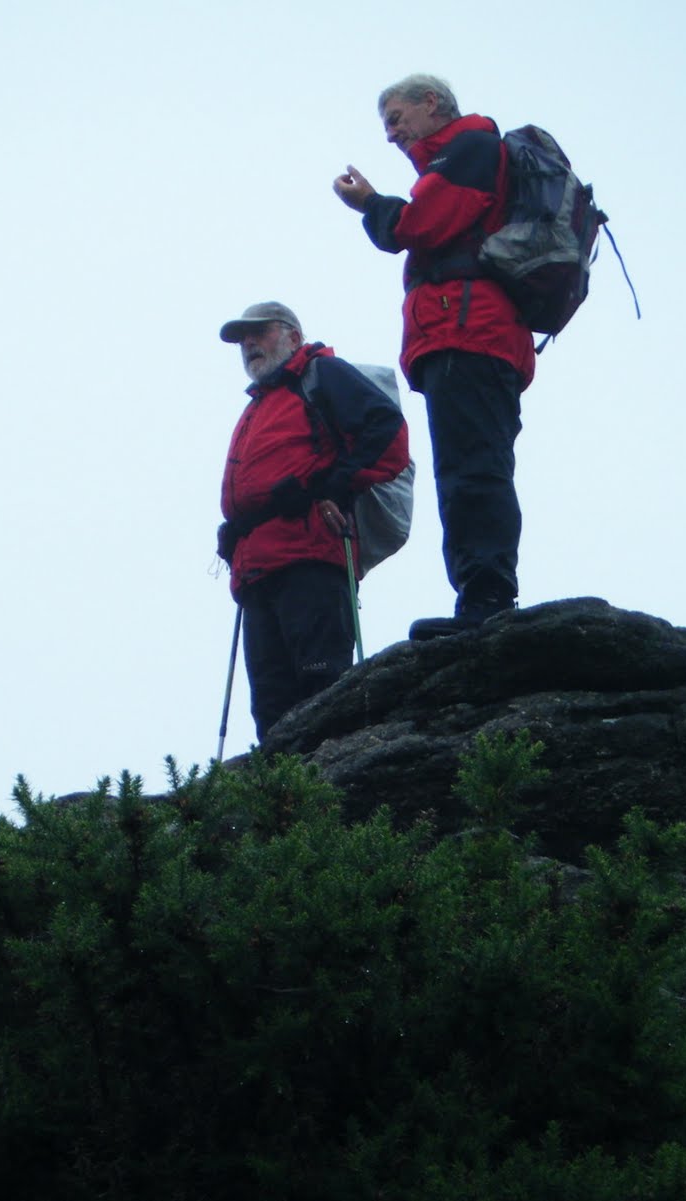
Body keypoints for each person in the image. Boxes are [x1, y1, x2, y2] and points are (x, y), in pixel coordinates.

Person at [333, 73, 537, 640]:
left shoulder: (470, 146)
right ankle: (480, 595)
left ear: (431, 103)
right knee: (468, 466)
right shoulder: (467, 154)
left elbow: (416, 225)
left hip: (468, 330)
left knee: (472, 468)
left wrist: (370, 204)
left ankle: (487, 599)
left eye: (396, 118)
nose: (391, 134)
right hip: (471, 333)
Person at [216, 301, 410, 740]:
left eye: (260, 332)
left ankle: (332, 778)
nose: (248, 344)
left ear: (294, 337)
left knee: (322, 689)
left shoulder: (320, 375)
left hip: (312, 558)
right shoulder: (262, 404)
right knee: (271, 707)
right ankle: (291, 785)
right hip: (258, 570)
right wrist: (236, 532)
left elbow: (386, 429)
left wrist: (333, 484)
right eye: (243, 339)